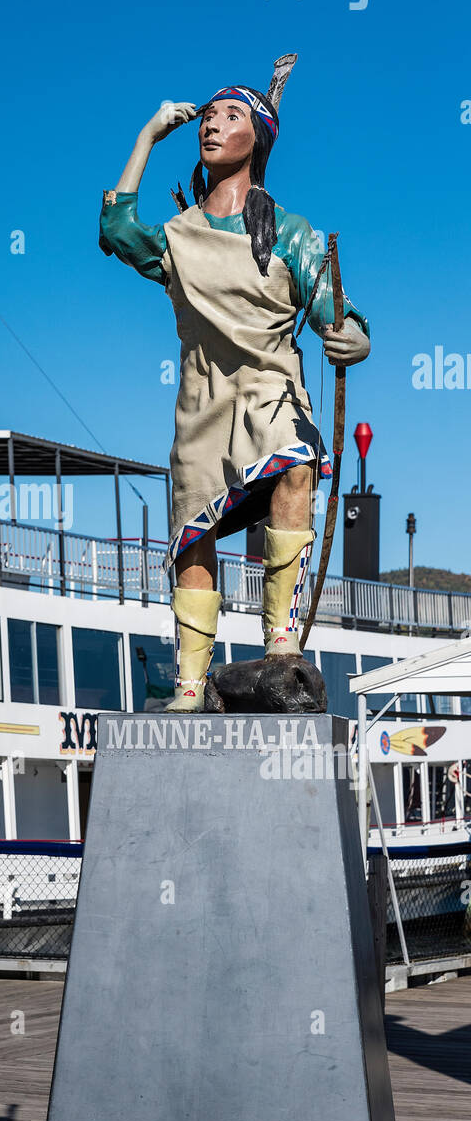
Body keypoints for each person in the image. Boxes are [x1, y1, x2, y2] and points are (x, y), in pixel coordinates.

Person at [100, 80, 370, 712]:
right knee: (192, 538)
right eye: (208, 116)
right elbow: (116, 228)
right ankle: (191, 685)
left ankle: (281, 644)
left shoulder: (291, 233)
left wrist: (352, 337)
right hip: (200, 402)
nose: (212, 125)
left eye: (230, 116)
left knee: (296, 465)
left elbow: (340, 314)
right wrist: (147, 134)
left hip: (269, 389)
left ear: (259, 138)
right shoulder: (180, 236)